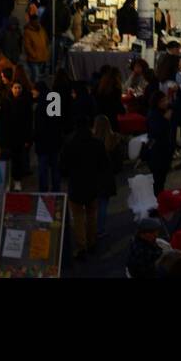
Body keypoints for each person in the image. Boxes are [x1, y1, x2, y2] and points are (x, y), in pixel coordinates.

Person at [60, 115, 109, 260]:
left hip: (75, 184)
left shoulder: (69, 142)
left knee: (78, 217)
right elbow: (104, 164)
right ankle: (92, 242)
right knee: (91, 214)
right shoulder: (97, 143)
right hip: (92, 183)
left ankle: (81, 247)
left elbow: (63, 167)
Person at [91, 114, 122, 235]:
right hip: (107, 177)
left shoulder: (92, 140)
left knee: (93, 205)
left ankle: (92, 228)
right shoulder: (113, 140)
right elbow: (118, 164)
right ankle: (100, 229)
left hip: (94, 176)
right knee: (103, 204)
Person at [33, 81, 64, 191]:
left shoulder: (40, 104)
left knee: (43, 169)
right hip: (55, 141)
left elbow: (39, 125)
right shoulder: (54, 99)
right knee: (55, 168)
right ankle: (56, 190)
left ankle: (43, 190)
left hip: (43, 142)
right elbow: (58, 120)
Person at [143, 90, 176, 193]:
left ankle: (159, 199)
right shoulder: (153, 114)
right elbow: (157, 131)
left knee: (161, 179)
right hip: (157, 151)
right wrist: (165, 120)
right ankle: (157, 201)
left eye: (165, 100)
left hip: (164, 150)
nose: (165, 102)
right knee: (158, 180)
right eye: (162, 101)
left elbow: (173, 105)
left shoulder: (162, 111)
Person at [22, 8, 49, 84]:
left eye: (37, 20)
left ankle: (32, 87)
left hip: (42, 57)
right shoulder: (27, 32)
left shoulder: (41, 29)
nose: (37, 22)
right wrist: (33, 54)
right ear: (31, 21)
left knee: (36, 76)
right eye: (35, 21)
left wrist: (46, 50)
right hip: (33, 59)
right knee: (36, 76)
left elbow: (46, 39)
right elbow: (27, 46)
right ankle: (34, 90)